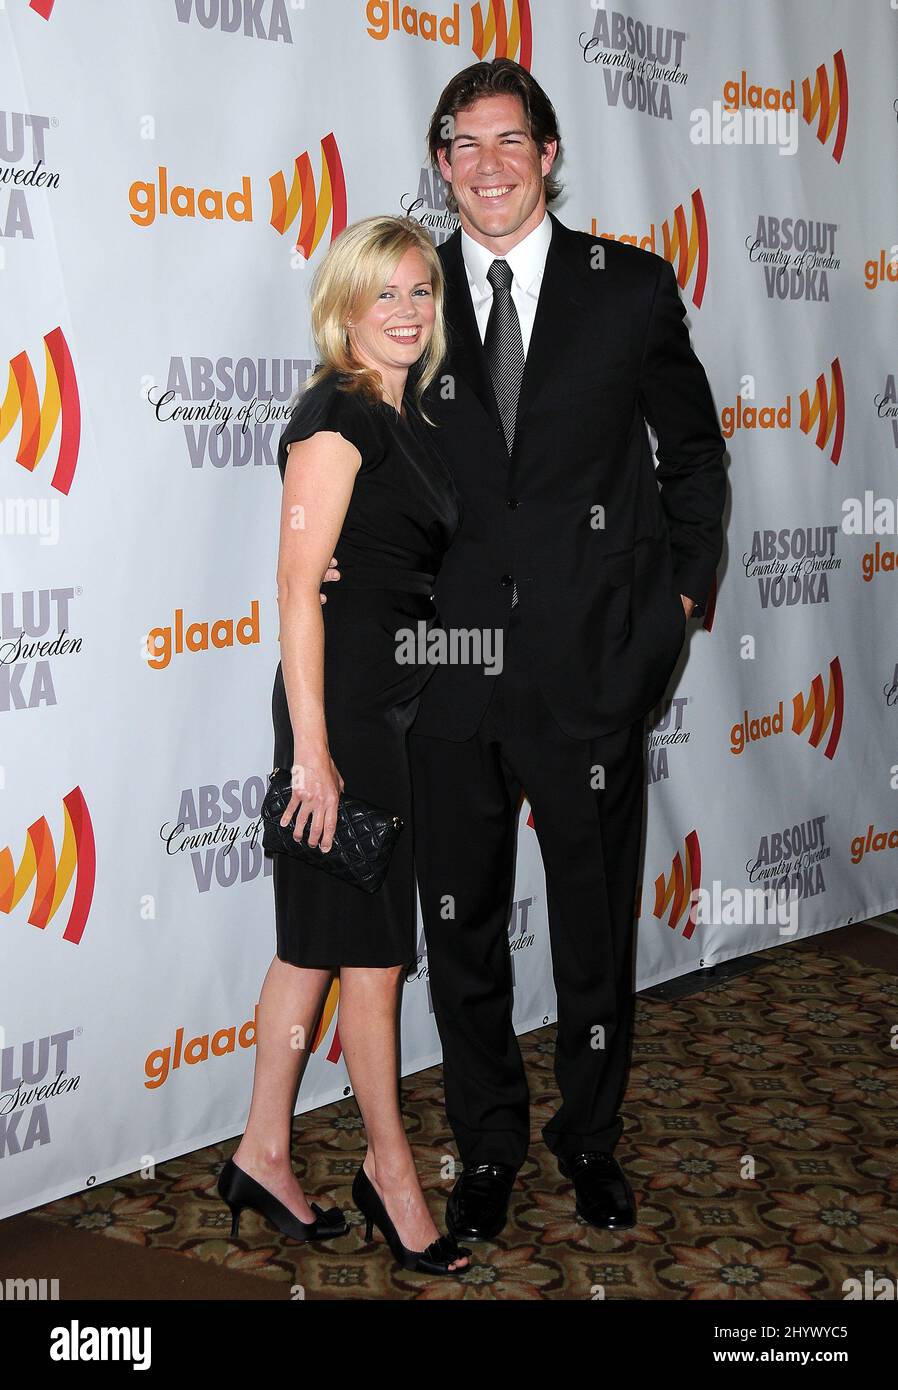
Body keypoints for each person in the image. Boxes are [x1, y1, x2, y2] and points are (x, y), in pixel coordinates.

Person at [326, 59, 727, 1242]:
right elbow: (362, 440)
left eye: (511, 142)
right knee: (458, 926)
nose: (487, 166)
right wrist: (340, 556)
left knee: (595, 924)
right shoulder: (413, 295)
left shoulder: (631, 290)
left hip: (592, 669)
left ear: (549, 155)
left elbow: (694, 459)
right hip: (448, 678)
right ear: (441, 163)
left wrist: (680, 609)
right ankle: (489, 1141)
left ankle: (589, 1136)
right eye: (464, 144)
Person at [218, 215, 469, 1276]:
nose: (408, 311)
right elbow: (294, 587)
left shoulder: (407, 418)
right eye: (386, 295)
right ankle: (392, 1175)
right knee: (372, 961)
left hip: (390, 704)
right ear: (345, 309)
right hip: (346, 718)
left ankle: (263, 1152)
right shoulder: (335, 416)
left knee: (313, 943)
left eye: (421, 292)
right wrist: (312, 755)